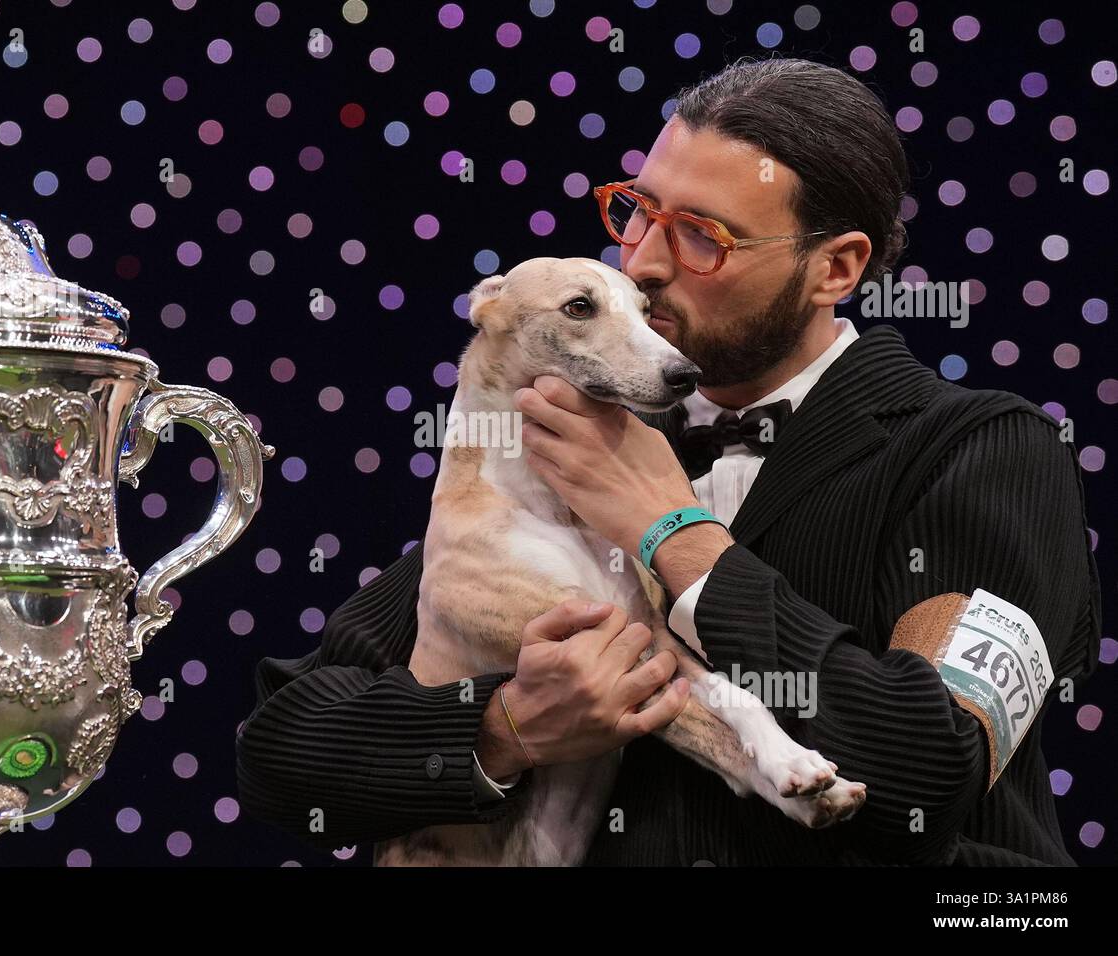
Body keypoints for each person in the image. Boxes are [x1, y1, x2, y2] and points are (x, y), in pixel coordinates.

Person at [235, 56, 1101, 865]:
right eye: (637, 212)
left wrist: (671, 531)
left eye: (702, 236)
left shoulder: (987, 447)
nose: (641, 264)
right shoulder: (573, 445)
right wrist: (502, 728)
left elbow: (928, 772)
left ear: (834, 269)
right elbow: (280, 750)